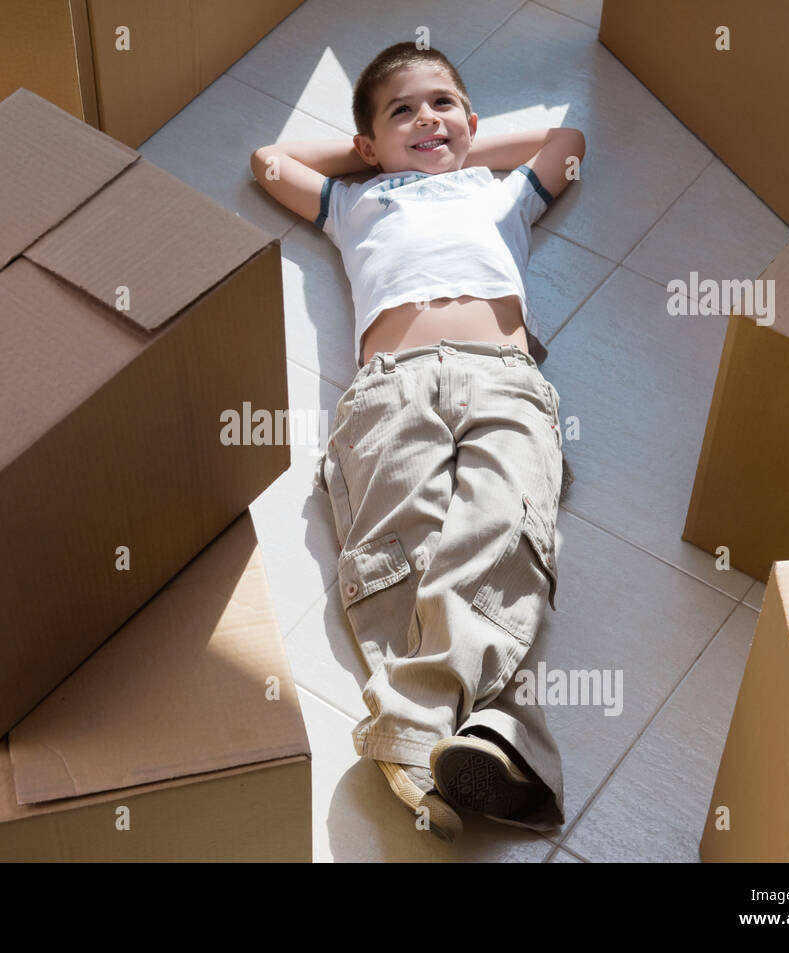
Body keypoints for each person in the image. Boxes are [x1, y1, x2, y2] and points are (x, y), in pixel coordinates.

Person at [250, 41, 584, 841]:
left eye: (443, 104)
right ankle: (486, 731)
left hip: (503, 375)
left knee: (502, 526)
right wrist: (376, 157)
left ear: (471, 120)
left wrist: (451, 136)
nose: (426, 118)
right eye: (403, 111)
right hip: (389, 387)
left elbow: (567, 144)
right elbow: (269, 161)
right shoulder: (356, 201)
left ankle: (413, 730)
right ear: (366, 146)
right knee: (393, 546)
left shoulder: (500, 194)